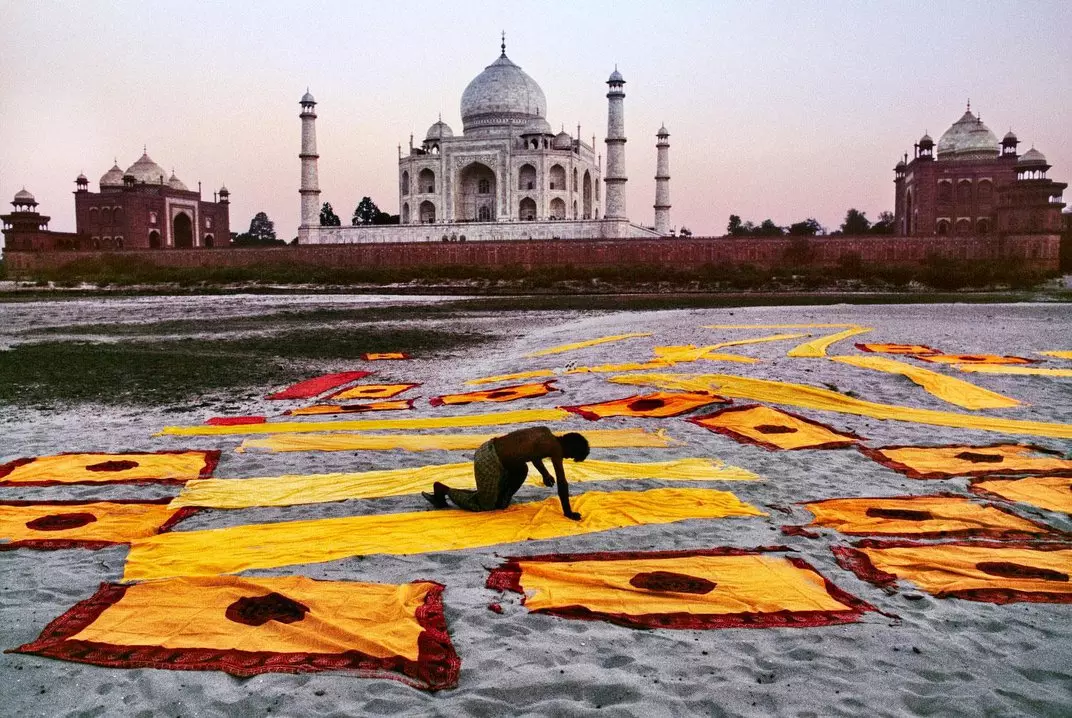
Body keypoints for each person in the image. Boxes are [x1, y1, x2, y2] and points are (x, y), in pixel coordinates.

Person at [422, 427, 589, 519]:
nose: (567, 458)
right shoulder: (555, 447)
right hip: (489, 458)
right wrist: (568, 512)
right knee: (484, 505)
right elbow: (562, 482)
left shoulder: (546, 434)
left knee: (521, 470)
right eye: (571, 456)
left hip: (495, 454)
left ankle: (499, 499)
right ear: (570, 449)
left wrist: (545, 474)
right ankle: (442, 490)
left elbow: (535, 455)